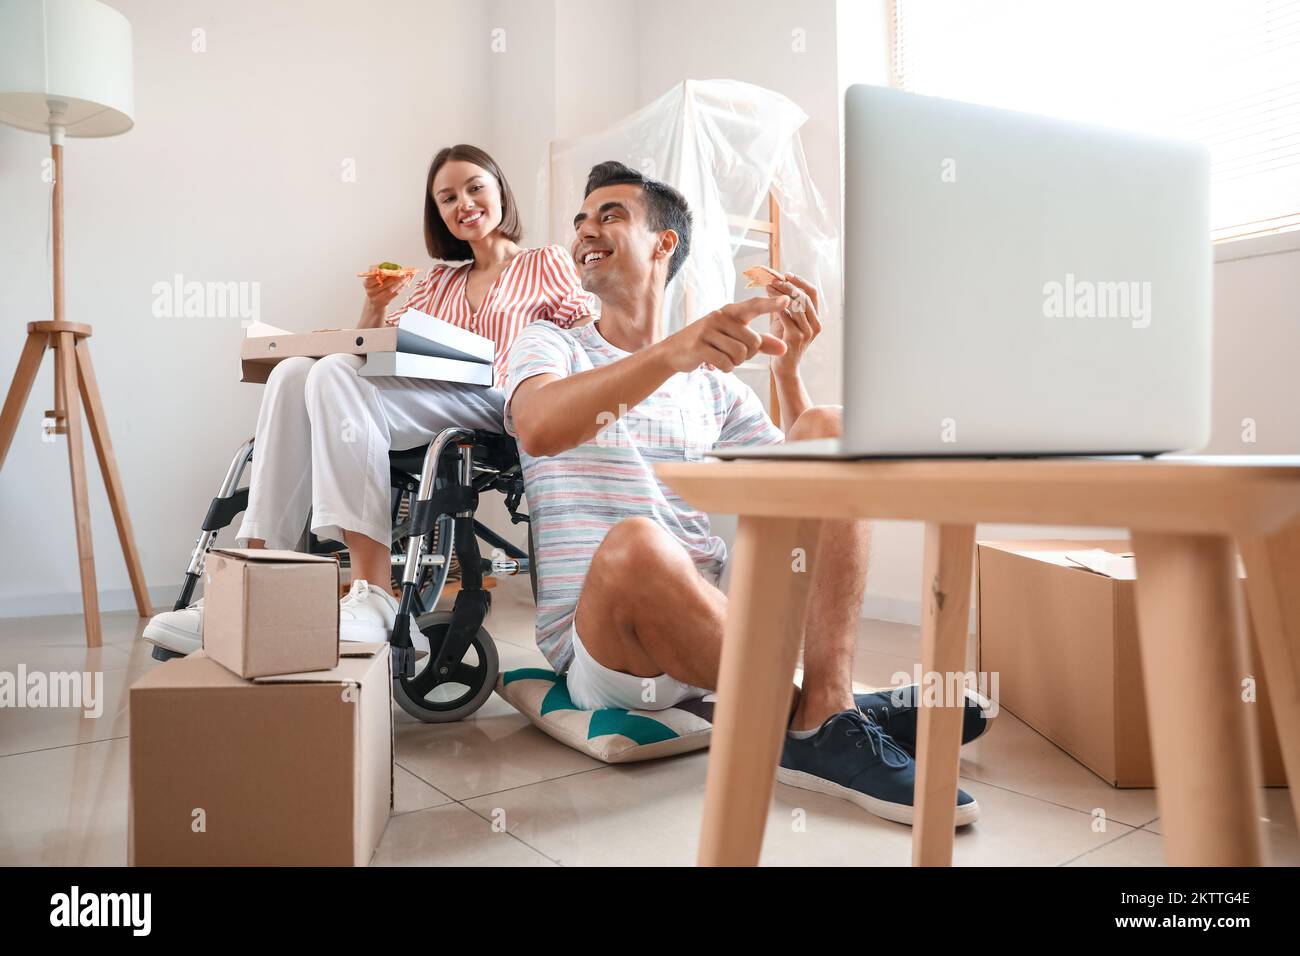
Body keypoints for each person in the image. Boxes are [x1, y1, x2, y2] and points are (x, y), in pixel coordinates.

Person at [504, 161, 988, 826]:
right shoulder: (549, 343)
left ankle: (825, 705)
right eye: (581, 220)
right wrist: (672, 351)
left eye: (610, 215)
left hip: (720, 612)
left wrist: (788, 371)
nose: (586, 230)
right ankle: (827, 712)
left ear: (663, 243)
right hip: (613, 645)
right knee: (636, 544)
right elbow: (537, 428)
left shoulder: (709, 384)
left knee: (829, 427)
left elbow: (803, 480)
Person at [144, 145, 596, 655]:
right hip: (426, 401)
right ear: (438, 213)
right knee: (295, 373)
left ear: (499, 190)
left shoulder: (545, 262)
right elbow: (369, 354)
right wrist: (376, 305)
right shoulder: (438, 281)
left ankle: (375, 591)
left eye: (474, 187)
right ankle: (249, 585)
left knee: (331, 373)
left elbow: (585, 333)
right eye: (447, 198)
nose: (463, 203)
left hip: (499, 402)